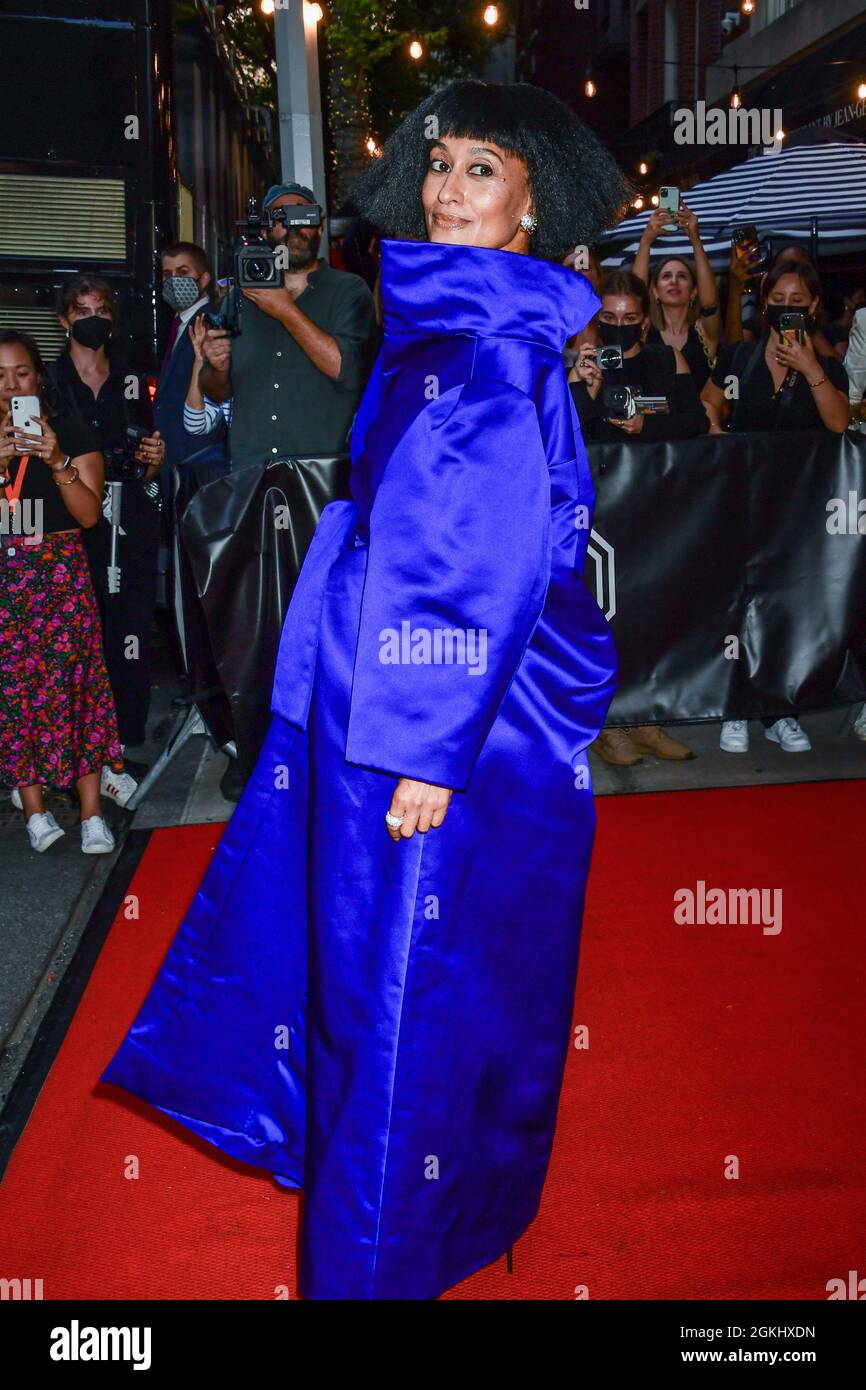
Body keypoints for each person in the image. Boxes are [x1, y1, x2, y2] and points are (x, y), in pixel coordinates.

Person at [100, 79, 626, 1301]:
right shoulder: (456, 325)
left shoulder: (487, 347)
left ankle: (373, 1265)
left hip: (422, 720)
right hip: (395, 695)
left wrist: (426, 755)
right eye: (438, 163)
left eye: (480, 170)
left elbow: (477, 564)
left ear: (532, 202)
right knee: (393, 977)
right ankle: (429, 1219)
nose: (446, 186)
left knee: (396, 993)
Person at [702, 258, 850, 755]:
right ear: (764, 305)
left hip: (800, 508)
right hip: (741, 502)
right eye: (779, 301)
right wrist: (720, 433)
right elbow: (707, 402)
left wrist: (809, 369)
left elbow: (837, 423)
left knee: (787, 609)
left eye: (798, 302)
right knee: (739, 606)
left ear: (813, 308)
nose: (787, 309)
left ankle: (780, 712)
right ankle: (738, 708)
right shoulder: (738, 357)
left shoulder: (826, 365)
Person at [568, 271, 701, 766]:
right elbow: (560, 429)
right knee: (601, 617)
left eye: (630, 318)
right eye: (609, 318)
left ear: (646, 320)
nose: (619, 326)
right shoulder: (578, 365)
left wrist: (647, 425)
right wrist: (584, 386)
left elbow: (695, 421)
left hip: (654, 503)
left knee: (648, 609)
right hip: (597, 510)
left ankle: (645, 718)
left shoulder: (667, 360)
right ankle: (606, 723)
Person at [0, 331, 122, 853]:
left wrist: (56, 461)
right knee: (14, 692)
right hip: (7, 572)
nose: (10, 386)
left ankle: (92, 812)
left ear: (38, 377)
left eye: (21, 373)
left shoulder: (67, 427)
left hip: (60, 571)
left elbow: (91, 515)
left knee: (79, 685)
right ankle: (34, 809)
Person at [48, 275, 165, 763]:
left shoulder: (135, 378)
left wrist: (154, 459)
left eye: (101, 309)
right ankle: (74, 736)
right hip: (70, 512)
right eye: (81, 310)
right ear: (64, 321)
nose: (92, 318)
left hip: (130, 511)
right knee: (75, 621)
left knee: (130, 620)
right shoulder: (47, 381)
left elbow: (150, 451)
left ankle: (126, 730)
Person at [200, 181, 378, 471]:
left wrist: (285, 311)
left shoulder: (349, 290)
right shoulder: (238, 298)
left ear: (319, 228)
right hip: (252, 473)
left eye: (303, 217)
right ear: (265, 230)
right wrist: (218, 368)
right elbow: (217, 392)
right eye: (282, 218)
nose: (293, 227)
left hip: (322, 478)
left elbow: (349, 372)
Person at [155, 242, 227, 502]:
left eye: (183, 273)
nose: (174, 281)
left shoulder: (211, 325)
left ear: (204, 279)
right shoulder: (179, 324)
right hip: (176, 462)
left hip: (197, 466)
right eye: (167, 274)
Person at [633, 204, 721, 390]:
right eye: (666, 276)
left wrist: (696, 240)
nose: (674, 281)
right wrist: (646, 241)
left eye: (682, 276)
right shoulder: (645, 330)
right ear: (654, 291)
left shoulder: (704, 332)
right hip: (653, 418)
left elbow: (710, 303)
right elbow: (635, 298)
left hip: (697, 418)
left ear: (694, 291)